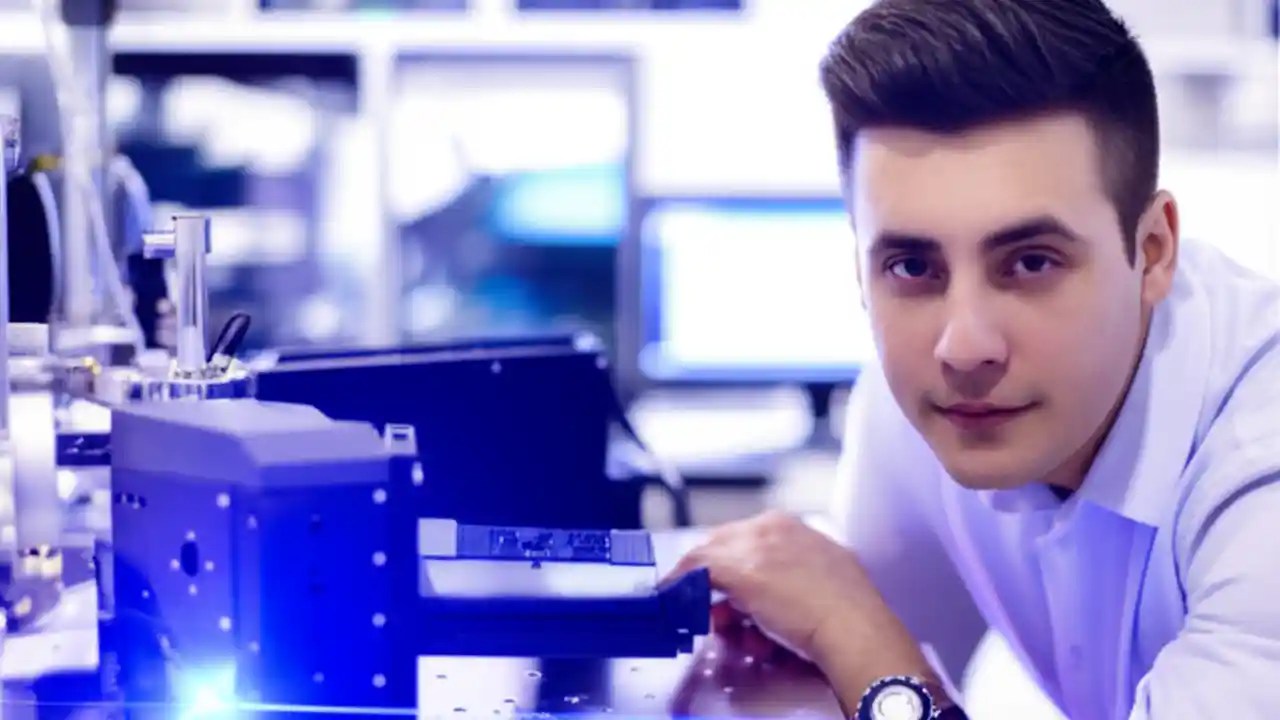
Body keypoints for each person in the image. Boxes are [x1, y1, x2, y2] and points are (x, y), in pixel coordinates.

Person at [666, 1, 1280, 718]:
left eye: (1029, 262)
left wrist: (852, 631)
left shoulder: (1257, 469)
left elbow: (869, 651)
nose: (962, 347)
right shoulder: (918, 416)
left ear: (1151, 252)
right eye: (911, 266)